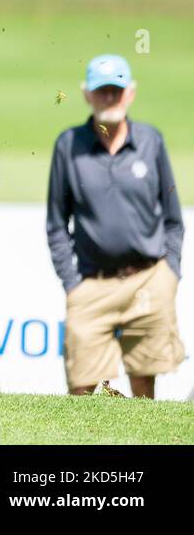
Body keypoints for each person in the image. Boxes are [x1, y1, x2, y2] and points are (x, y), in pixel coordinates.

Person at [47, 53, 185, 398]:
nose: (110, 98)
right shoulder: (69, 146)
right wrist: (71, 282)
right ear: (87, 94)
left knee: (143, 384)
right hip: (92, 283)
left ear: (130, 93)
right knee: (81, 386)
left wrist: (170, 272)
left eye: (116, 90)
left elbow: (172, 217)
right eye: (102, 91)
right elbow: (56, 223)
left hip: (149, 279)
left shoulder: (151, 142)